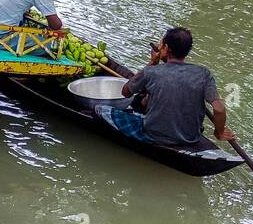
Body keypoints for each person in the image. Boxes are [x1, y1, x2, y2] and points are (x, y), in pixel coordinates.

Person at [99, 27, 235, 147]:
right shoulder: (203, 73)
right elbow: (219, 108)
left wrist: (153, 62)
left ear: (166, 48)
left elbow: (126, 92)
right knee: (144, 101)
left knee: (101, 110)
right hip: (190, 137)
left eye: (162, 44)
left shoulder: (151, 71)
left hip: (154, 135)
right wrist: (219, 132)